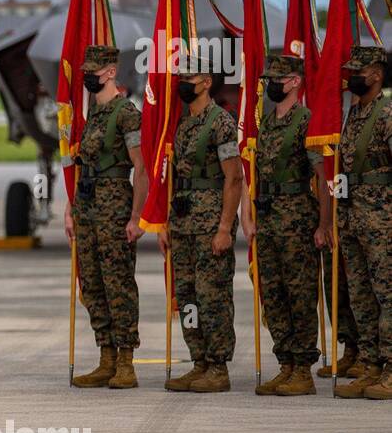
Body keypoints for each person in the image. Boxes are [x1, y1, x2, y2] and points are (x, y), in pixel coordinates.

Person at [241, 53, 329, 396]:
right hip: (268, 219)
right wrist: (250, 216)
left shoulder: (306, 120)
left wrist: (323, 224)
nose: (270, 86)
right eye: (268, 80)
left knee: (300, 293)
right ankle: (286, 364)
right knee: (274, 294)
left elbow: (321, 179)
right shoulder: (268, 124)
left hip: (296, 218)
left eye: (276, 79)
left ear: (294, 81)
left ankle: (303, 370)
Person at [63, 45, 147, 389]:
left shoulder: (126, 113)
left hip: (114, 207)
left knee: (118, 284)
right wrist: (70, 208)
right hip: (87, 208)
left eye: (94, 71)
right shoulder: (92, 116)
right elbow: (81, 167)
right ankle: (105, 356)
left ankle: (126, 360)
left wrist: (137, 217)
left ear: (111, 72)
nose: (88, 77)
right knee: (94, 284)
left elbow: (140, 168)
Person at [161, 69, 244, 392]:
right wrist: (167, 223)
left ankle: (218, 366)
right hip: (183, 224)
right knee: (188, 297)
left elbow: (233, 178)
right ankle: (199, 360)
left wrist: (225, 227)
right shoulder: (182, 123)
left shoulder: (220, 122)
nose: (183, 82)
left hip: (210, 224)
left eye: (190, 77)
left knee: (213, 297)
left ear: (207, 82)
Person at [333, 46, 392, 399]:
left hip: (382, 218)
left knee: (388, 295)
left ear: (377, 75)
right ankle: (370, 363)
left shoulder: (386, 113)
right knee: (361, 295)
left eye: (360, 71)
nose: (353, 77)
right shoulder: (353, 114)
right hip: (354, 217)